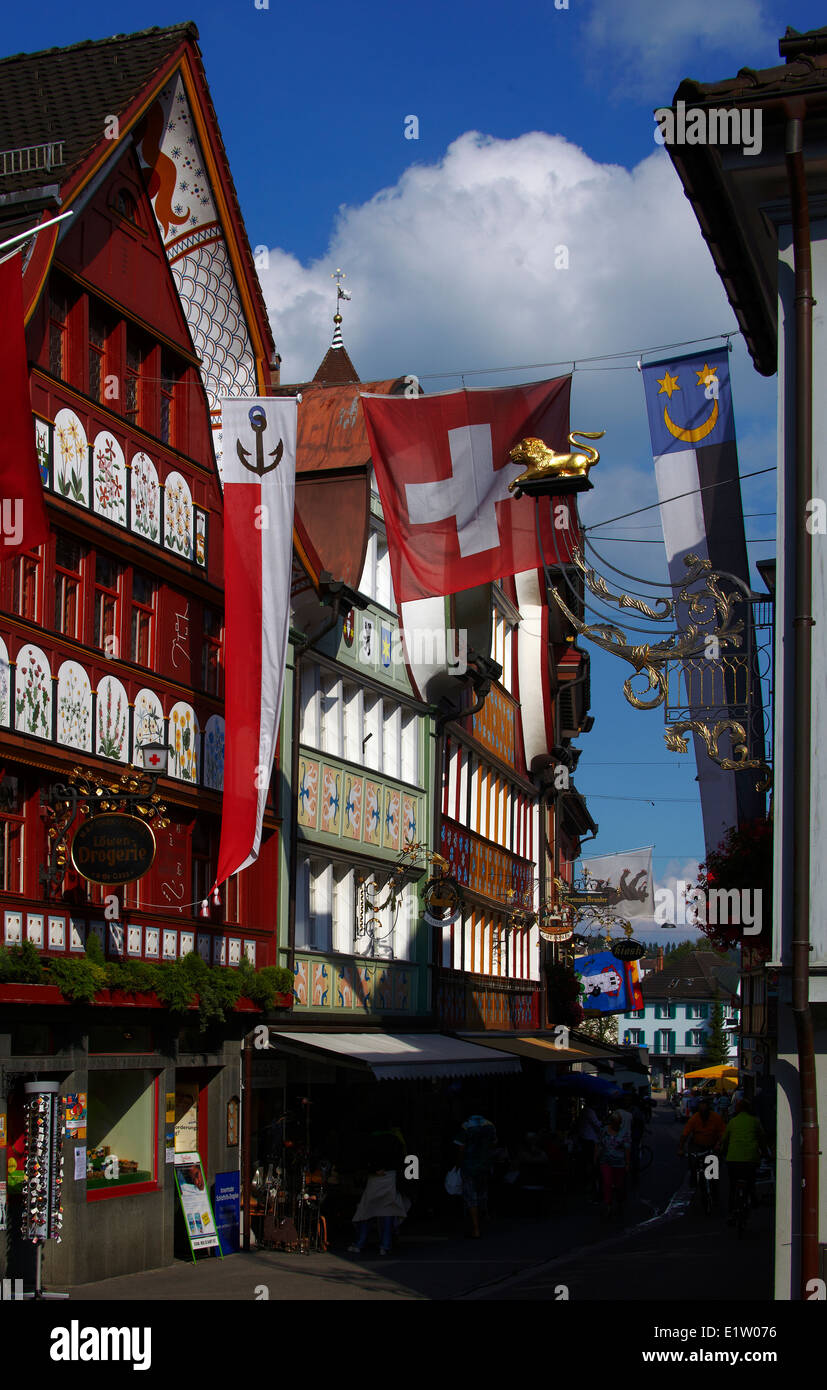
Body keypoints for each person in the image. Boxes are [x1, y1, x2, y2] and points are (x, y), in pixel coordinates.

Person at [348, 1123, 410, 1256]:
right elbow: (401, 1158)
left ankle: (360, 1243)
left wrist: (374, 1169)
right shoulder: (395, 1139)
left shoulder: (370, 1140)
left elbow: (362, 1158)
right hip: (390, 1176)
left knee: (366, 1211)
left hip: (375, 1177)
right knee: (388, 1210)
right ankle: (385, 1245)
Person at [719, 1100, 770, 1221]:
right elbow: (762, 1140)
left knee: (732, 1186)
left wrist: (722, 1152)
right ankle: (753, 1198)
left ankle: (732, 1212)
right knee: (751, 1181)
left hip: (733, 1159)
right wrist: (765, 1153)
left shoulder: (732, 1122)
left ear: (737, 1109)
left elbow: (725, 1140)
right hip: (750, 1159)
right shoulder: (754, 1121)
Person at [454, 1111, 498, 1238]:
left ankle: (476, 1228)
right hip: (485, 1165)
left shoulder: (466, 1126)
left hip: (469, 1166)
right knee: (482, 1194)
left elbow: (460, 1148)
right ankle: (483, 1220)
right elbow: (494, 1143)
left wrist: (458, 1164)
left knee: (470, 1197)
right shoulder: (490, 1126)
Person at [678, 1097, 726, 1195]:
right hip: (697, 1145)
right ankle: (694, 1177)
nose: (703, 1113)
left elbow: (723, 1133)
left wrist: (719, 1144)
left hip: (712, 1146)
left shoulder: (716, 1118)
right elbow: (685, 1135)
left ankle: (714, 1191)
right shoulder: (695, 1118)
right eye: (701, 1110)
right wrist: (680, 1148)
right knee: (693, 1161)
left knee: (713, 1171)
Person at [597, 1112, 630, 1220]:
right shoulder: (604, 1131)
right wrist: (595, 1158)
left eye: (619, 1123)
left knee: (619, 1184)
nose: (617, 1125)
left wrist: (627, 1163)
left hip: (619, 1162)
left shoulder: (624, 1132)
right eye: (616, 1123)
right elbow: (599, 1144)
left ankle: (619, 1202)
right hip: (606, 1161)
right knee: (607, 1182)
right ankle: (608, 1205)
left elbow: (627, 1148)